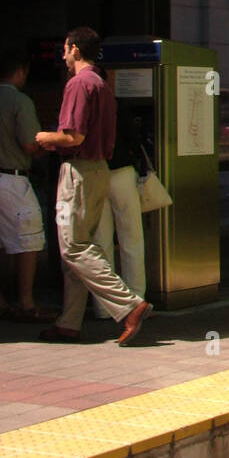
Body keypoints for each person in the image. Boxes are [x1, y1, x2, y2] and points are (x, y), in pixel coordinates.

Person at [35, 27, 152, 344]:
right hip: (100, 168)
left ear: (74, 49)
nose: (62, 55)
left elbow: (73, 137)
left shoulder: (78, 84)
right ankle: (69, 322)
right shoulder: (102, 84)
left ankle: (129, 305)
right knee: (79, 248)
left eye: (64, 49)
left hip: (80, 170)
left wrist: (45, 138)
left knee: (73, 247)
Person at [0, 50, 48, 320]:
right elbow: (29, 144)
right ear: (20, 72)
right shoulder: (20, 101)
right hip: (12, 178)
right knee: (29, 238)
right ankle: (26, 302)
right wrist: (45, 147)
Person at [93, 64, 146, 305]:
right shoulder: (116, 103)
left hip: (94, 172)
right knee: (131, 238)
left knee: (101, 241)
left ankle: (105, 305)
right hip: (122, 171)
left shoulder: (83, 102)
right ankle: (136, 300)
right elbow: (134, 139)